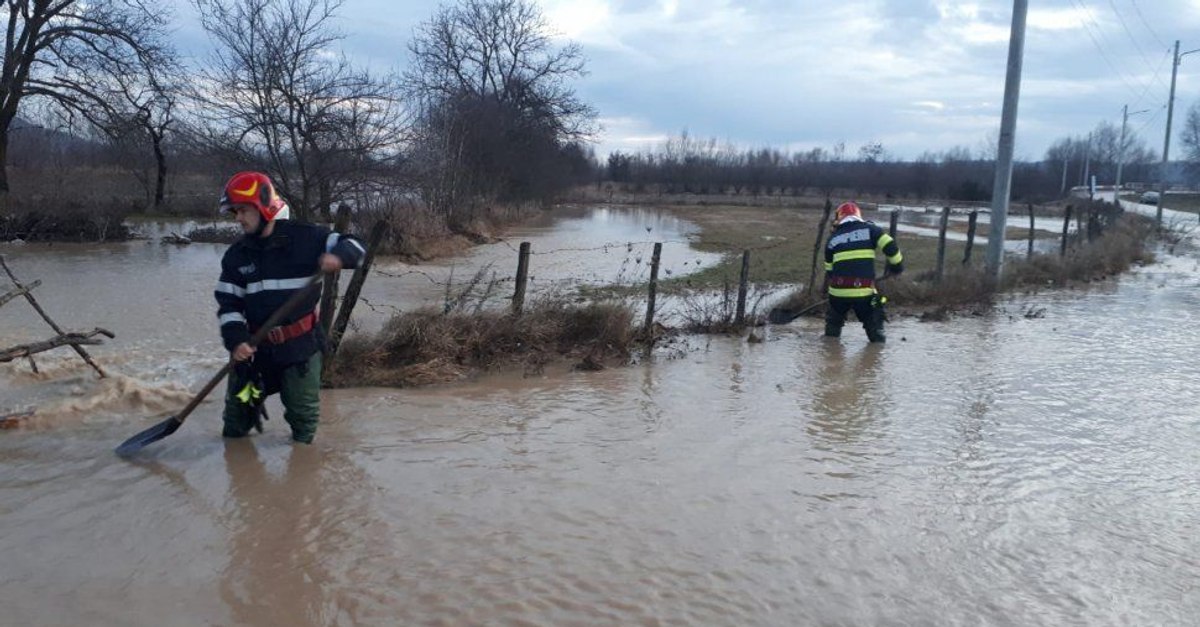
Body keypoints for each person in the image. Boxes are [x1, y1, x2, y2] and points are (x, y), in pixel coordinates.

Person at [214, 171, 366, 443]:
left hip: (299, 351)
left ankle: (303, 473)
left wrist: (340, 256)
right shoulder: (236, 257)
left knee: (303, 423)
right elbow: (229, 305)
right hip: (253, 355)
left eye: (244, 210)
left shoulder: (308, 238)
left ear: (263, 208)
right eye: (235, 212)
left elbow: (356, 246)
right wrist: (236, 341)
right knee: (236, 422)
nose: (238, 218)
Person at [822, 201, 903, 343]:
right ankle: (876, 347)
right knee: (874, 320)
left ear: (840, 218)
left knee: (833, 322)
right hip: (864, 292)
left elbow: (829, 270)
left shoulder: (832, 239)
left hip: (838, 293)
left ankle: (830, 349)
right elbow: (891, 247)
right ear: (858, 215)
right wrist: (897, 267)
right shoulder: (871, 230)